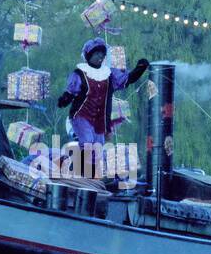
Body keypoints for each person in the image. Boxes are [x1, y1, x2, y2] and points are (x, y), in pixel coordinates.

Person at [56, 38, 149, 179]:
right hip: (81, 115)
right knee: (87, 142)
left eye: (102, 54)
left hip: (100, 119)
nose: (100, 57)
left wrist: (139, 69)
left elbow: (126, 80)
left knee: (98, 147)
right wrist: (65, 99)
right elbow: (71, 91)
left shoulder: (109, 74)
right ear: (89, 56)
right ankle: (75, 169)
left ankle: (89, 177)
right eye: (96, 54)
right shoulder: (80, 73)